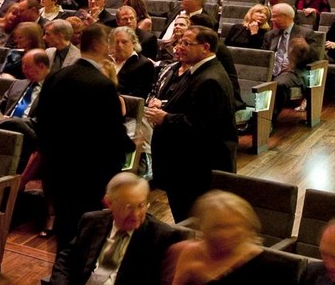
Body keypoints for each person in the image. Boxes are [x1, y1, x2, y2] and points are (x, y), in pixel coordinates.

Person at [37, 26, 129, 251]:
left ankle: (61, 267)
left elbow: (42, 121)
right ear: (97, 44)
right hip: (89, 173)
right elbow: (111, 134)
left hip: (57, 168)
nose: (109, 48)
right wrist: (125, 151)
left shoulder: (56, 76)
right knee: (86, 235)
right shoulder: (102, 84)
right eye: (107, 43)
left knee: (64, 231)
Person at [146, 23, 237, 224]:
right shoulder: (198, 71)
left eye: (187, 43)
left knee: (192, 221)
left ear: (205, 47)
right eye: (180, 42)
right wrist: (165, 105)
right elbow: (189, 106)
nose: (180, 47)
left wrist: (165, 118)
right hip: (184, 165)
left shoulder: (210, 79)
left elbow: (205, 126)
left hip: (195, 168)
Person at [46, 172, 184, 285]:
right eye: (128, 207)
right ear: (109, 203)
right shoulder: (92, 221)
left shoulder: (161, 237)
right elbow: (66, 259)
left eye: (141, 205)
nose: (136, 215)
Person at [165, 191, 300, 285]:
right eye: (218, 227)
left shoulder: (272, 269)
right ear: (204, 229)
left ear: (248, 227)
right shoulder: (189, 252)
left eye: (233, 226)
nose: (226, 234)